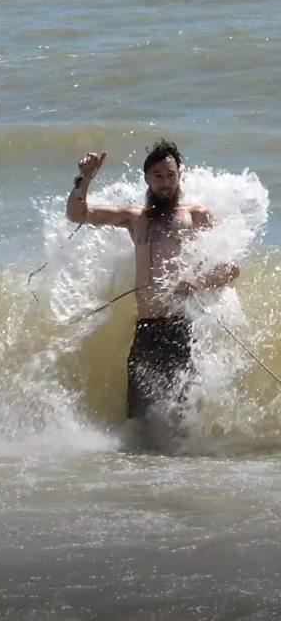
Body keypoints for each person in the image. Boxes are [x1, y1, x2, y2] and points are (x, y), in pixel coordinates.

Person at [65, 139, 240, 446]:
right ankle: (141, 486)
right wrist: (86, 178)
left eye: (170, 175)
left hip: (180, 329)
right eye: (158, 176)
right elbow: (78, 214)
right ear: (147, 178)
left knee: (180, 422)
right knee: (137, 420)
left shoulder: (196, 216)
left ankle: (181, 480)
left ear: (179, 176)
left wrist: (197, 281)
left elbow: (231, 268)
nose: (165, 183)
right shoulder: (135, 218)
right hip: (145, 331)